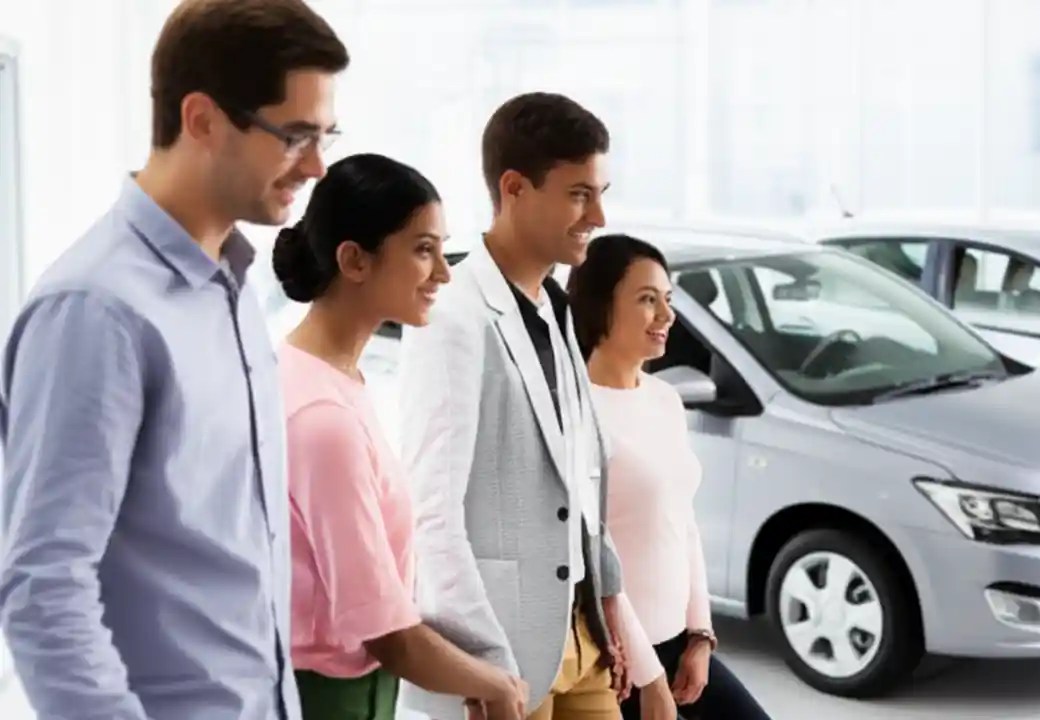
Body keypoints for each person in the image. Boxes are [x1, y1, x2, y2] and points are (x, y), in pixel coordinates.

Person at [0, 1, 348, 718]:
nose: (317, 165)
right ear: (202, 119)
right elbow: (44, 589)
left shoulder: (234, 290)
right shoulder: (97, 311)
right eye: (296, 136)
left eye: (326, 136)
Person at [397, 92, 677, 720]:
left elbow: (582, 496)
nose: (598, 215)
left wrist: (626, 635)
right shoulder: (453, 317)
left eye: (601, 192)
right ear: (516, 187)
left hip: (585, 640)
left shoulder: (555, 308)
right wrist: (482, 666)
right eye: (580, 193)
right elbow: (431, 513)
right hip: (500, 654)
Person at [272, 153, 529, 719]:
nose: (443, 272)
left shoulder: (317, 377)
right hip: (326, 700)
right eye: (423, 249)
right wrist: (494, 682)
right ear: (354, 260)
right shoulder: (322, 417)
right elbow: (383, 630)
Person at [568, 234, 773, 720]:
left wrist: (700, 636)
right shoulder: (577, 414)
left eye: (668, 299)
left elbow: (684, 524)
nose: (667, 315)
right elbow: (596, 564)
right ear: (600, 306)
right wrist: (648, 677)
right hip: (618, 663)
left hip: (680, 645)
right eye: (646, 299)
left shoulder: (664, 398)